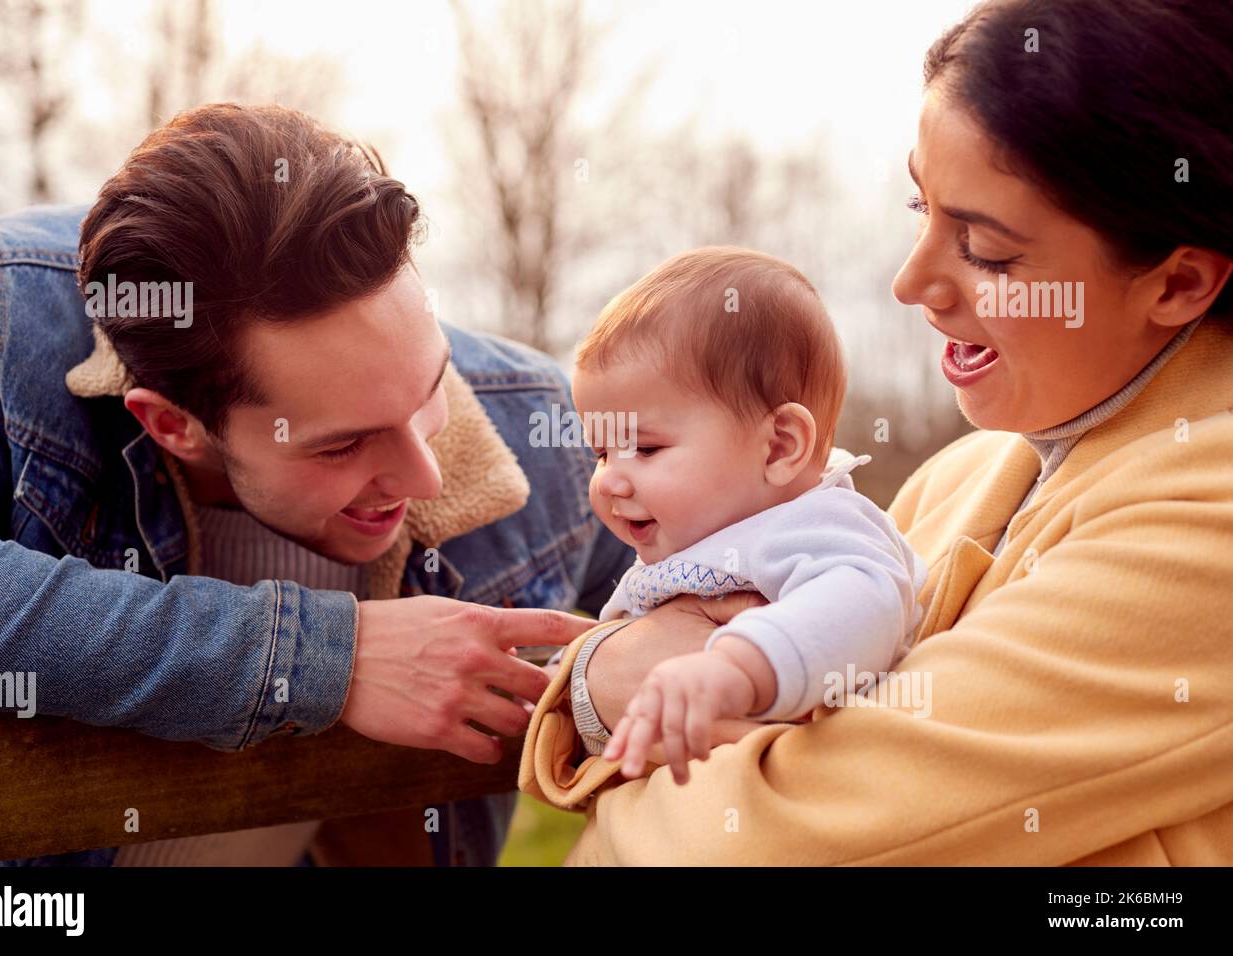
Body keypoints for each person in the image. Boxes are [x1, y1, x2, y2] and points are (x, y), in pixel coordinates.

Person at [522, 0, 1233, 864]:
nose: (910, 281)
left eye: (987, 250)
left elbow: (777, 842)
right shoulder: (958, 476)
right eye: (920, 208)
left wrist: (631, 725)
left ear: (1179, 281)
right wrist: (608, 677)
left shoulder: (1209, 526)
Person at [0, 104, 634, 866]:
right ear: (175, 425)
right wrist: (325, 658)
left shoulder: (547, 430)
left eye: (432, 389)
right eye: (343, 445)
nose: (422, 475)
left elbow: (739, 591)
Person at [535, 247, 928, 785]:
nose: (609, 480)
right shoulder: (701, 539)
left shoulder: (815, 525)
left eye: (645, 449)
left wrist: (735, 668)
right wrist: (567, 681)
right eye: (601, 453)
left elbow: (864, 601)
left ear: (778, 447)